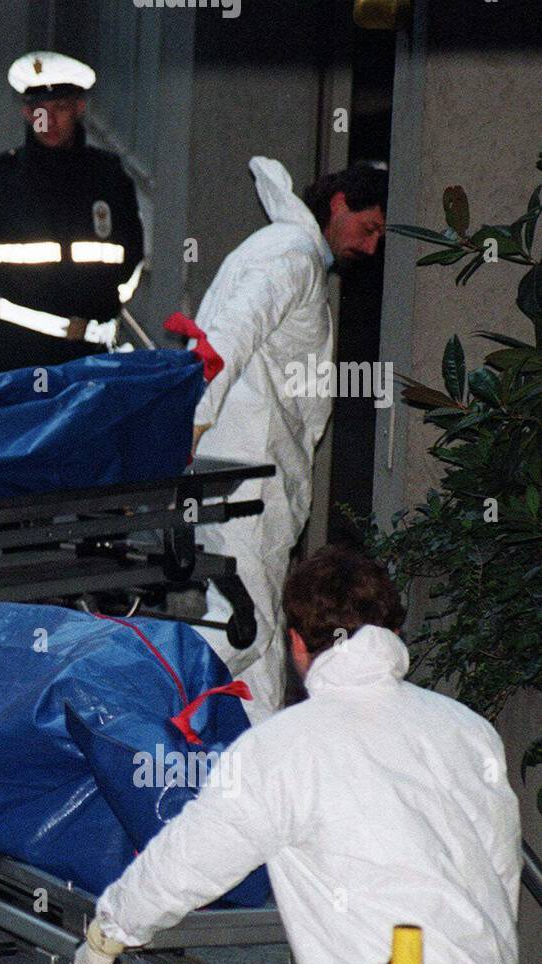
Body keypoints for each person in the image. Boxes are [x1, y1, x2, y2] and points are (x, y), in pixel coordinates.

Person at [75, 546, 521, 964]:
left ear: (296, 645)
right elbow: (500, 870)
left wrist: (106, 936)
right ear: (394, 635)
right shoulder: (468, 730)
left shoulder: (284, 747)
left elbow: (188, 860)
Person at [187, 158, 387, 723]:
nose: (371, 247)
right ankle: (148, 699)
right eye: (369, 228)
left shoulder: (288, 253)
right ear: (339, 204)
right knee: (247, 626)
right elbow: (227, 338)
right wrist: (193, 423)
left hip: (245, 471)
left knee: (255, 624)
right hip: (245, 473)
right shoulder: (292, 255)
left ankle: (251, 753)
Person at [0, 51, 144, 375]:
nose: (48, 121)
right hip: (11, 355)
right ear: (26, 112)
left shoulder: (111, 178)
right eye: (39, 110)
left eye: (60, 108)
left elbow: (132, 256)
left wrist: (100, 310)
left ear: (79, 107)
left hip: (90, 355)